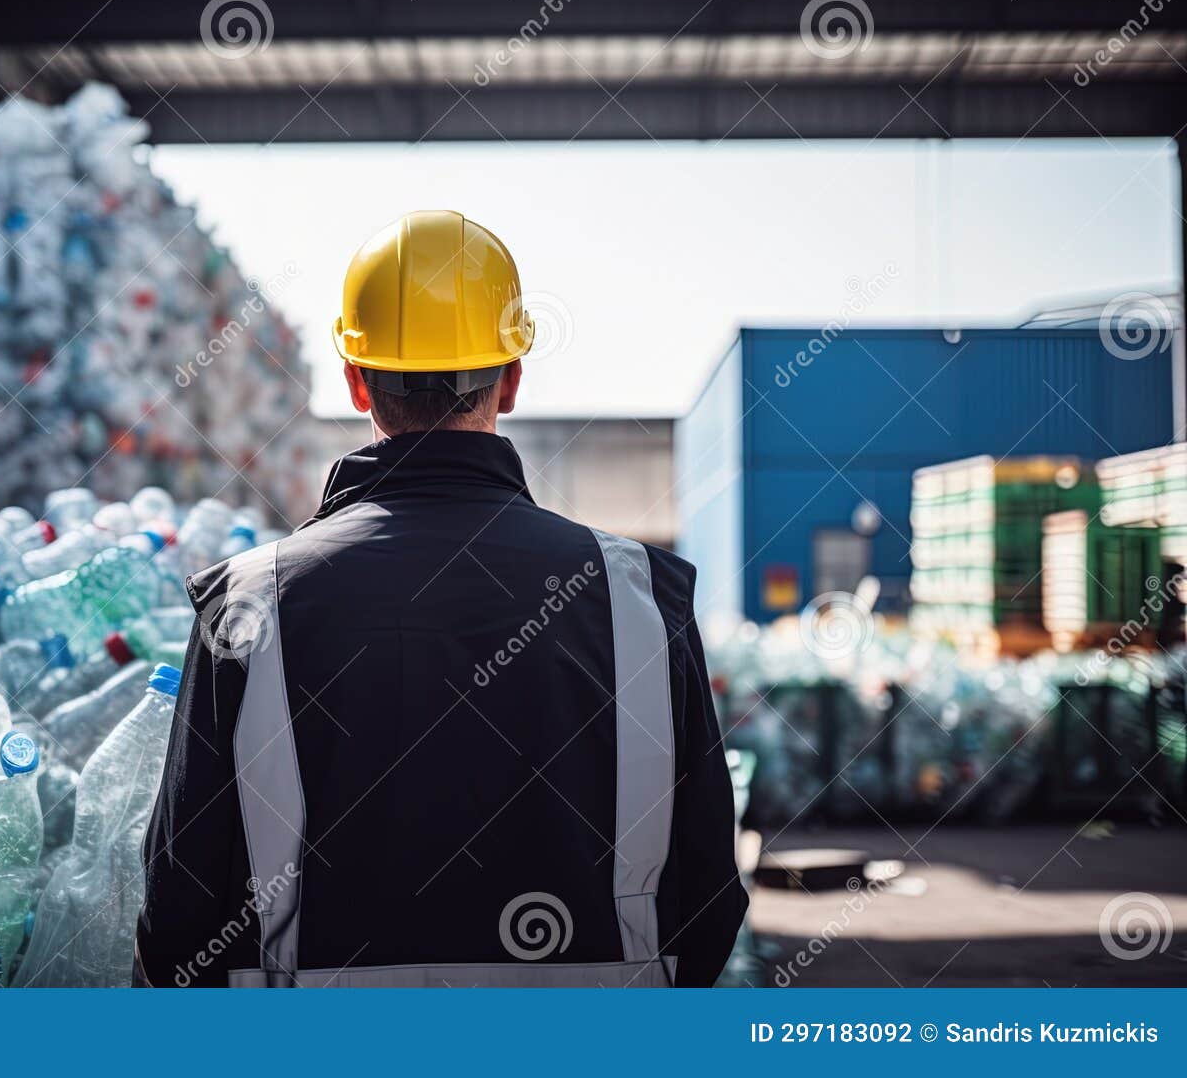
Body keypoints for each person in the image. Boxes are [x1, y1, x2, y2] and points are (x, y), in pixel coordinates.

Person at [134, 210, 746, 987]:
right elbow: (710, 898)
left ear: (357, 381)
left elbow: (177, 916)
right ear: (512, 379)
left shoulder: (249, 605)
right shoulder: (641, 596)